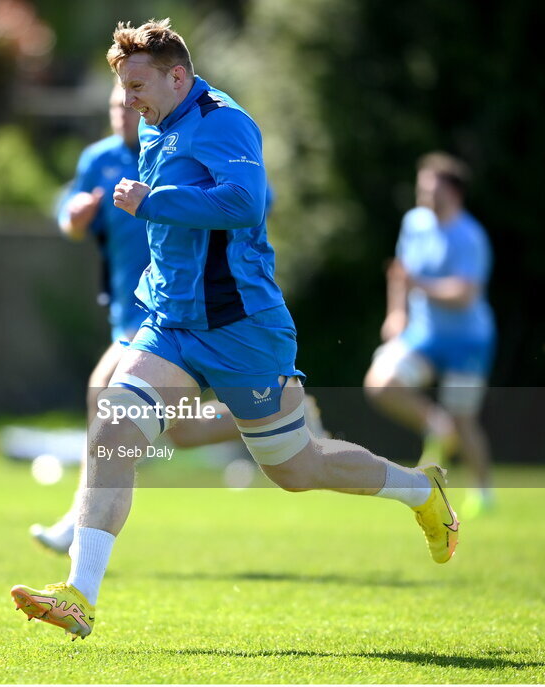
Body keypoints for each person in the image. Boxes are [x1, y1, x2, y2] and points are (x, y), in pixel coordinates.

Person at [10, 19, 459, 640]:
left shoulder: (223, 120)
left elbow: (245, 203)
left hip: (243, 327)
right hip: (170, 321)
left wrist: (152, 202)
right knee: (113, 425)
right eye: (123, 88)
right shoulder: (155, 122)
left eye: (137, 85)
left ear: (178, 75)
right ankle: (80, 595)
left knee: (296, 468)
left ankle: (419, 490)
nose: (129, 101)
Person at [30, 84, 326, 554]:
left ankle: (79, 521)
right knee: (182, 432)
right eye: (114, 104)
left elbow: (248, 201)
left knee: (103, 394)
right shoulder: (98, 160)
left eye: (132, 98)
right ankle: (284, 412)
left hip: (175, 307)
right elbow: (68, 221)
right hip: (131, 307)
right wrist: (75, 218)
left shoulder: (187, 138)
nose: (124, 111)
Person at [364, 152, 496, 517]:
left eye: (430, 187)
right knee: (380, 383)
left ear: (453, 192)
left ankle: (484, 493)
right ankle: (435, 424)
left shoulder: (469, 236)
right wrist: (396, 313)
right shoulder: (415, 223)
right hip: (424, 335)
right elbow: (400, 272)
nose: (422, 192)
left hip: (469, 341)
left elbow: (465, 294)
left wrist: (419, 284)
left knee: (464, 419)